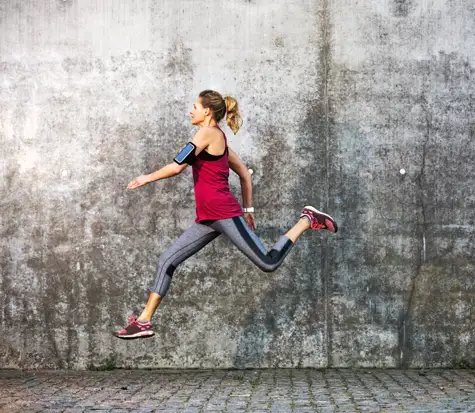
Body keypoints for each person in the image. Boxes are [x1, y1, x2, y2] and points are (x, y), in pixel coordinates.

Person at [114, 90, 338, 339]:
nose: (191, 111)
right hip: (208, 219)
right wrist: (249, 210)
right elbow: (244, 173)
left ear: (207, 111)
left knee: (268, 262)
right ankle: (144, 321)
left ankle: (307, 219)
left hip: (224, 214)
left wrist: (147, 177)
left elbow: (177, 166)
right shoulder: (217, 140)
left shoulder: (207, 133)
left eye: (195, 107)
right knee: (167, 260)